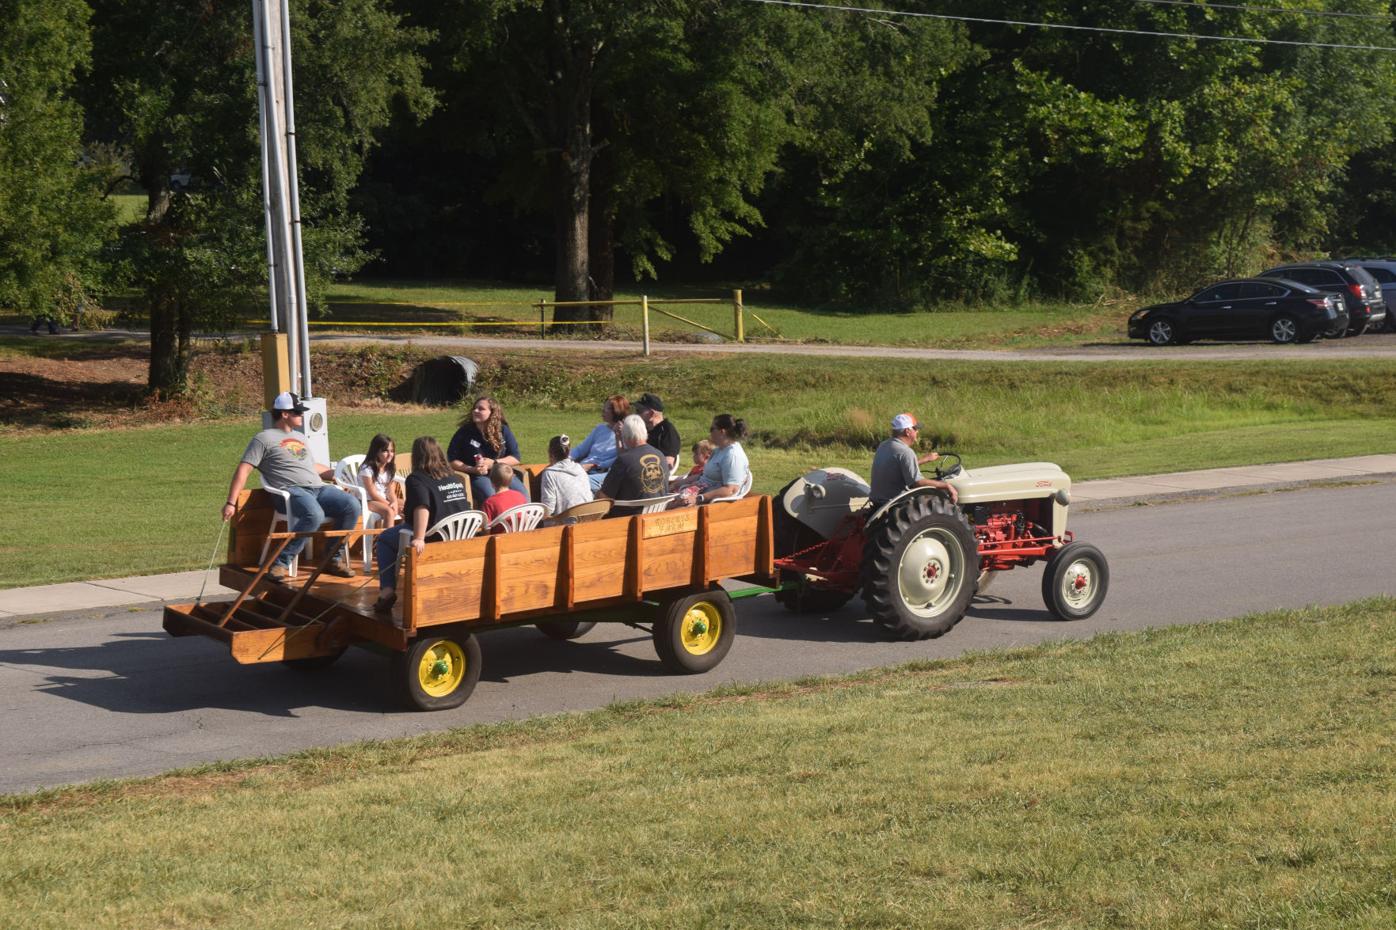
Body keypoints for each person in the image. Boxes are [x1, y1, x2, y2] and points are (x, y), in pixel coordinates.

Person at [221, 392, 361, 582]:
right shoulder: (263, 439)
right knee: (314, 514)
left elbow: (312, 466)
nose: (301, 415)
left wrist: (337, 476)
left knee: (352, 505)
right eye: (297, 412)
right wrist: (230, 502)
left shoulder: (300, 437)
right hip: (290, 491)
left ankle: (332, 559)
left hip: (318, 488)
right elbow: (243, 470)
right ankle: (279, 564)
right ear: (284, 414)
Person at [373, 436, 471, 613]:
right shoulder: (453, 477)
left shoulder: (417, 478)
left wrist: (418, 538)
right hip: (459, 534)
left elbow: (422, 507)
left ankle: (387, 591)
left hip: (433, 534)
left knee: (386, 538)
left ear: (416, 456)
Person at [447, 396, 527, 505]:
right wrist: (473, 469)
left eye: (481, 409)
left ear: (492, 413)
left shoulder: (503, 430)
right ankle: (497, 521)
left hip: (501, 473)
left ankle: (525, 521)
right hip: (477, 476)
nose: (475, 410)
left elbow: (515, 457)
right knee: (492, 497)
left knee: (522, 494)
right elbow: (452, 461)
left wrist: (493, 463)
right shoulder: (464, 432)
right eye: (475, 408)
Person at [867, 412, 957, 508]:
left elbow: (898, 468)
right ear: (907, 431)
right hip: (895, 504)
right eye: (915, 428)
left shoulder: (884, 445)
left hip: (878, 501)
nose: (917, 431)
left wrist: (925, 459)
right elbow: (917, 483)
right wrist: (946, 485)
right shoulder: (905, 452)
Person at [597, 415, 669, 516]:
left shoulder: (624, 461)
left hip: (626, 520)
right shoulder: (660, 455)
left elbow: (603, 498)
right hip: (654, 517)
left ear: (625, 435)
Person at [672, 414, 750, 506]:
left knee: (667, 509)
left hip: (712, 503)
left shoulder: (733, 456)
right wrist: (676, 484)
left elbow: (730, 490)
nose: (710, 433)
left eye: (712, 429)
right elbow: (703, 476)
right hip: (697, 493)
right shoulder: (719, 450)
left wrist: (699, 498)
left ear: (722, 432)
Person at [570, 394, 629, 491]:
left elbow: (621, 459)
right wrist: (564, 458)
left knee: (573, 483)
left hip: (600, 473)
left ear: (617, 411)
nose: (603, 410)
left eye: (607, 408)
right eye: (603, 407)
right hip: (583, 468)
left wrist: (595, 465)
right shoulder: (600, 428)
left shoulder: (626, 434)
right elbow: (580, 450)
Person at [538, 434, 593, 516]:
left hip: (564, 525)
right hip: (589, 519)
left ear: (550, 453)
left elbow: (548, 509)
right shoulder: (580, 469)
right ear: (569, 451)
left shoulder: (550, 474)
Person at [358, 433, 400, 528]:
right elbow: (373, 494)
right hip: (367, 501)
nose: (390, 454)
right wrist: (390, 505)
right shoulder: (367, 469)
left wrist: (395, 502)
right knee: (389, 511)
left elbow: (391, 491)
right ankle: (387, 541)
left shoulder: (389, 467)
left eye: (392, 451)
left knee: (409, 506)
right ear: (376, 452)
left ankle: (405, 537)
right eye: (385, 451)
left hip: (384, 499)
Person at [634, 392, 680, 472]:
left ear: (651, 413)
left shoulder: (667, 431)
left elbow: (668, 463)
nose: (636, 414)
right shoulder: (642, 429)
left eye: (639, 410)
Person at [481, 462, 528, 528]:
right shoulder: (520, 496)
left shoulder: (489, 503)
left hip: (499, 537)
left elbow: (486, 530)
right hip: (520, 535)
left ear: (491, 481)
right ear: (511, 480)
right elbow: (526, 519)